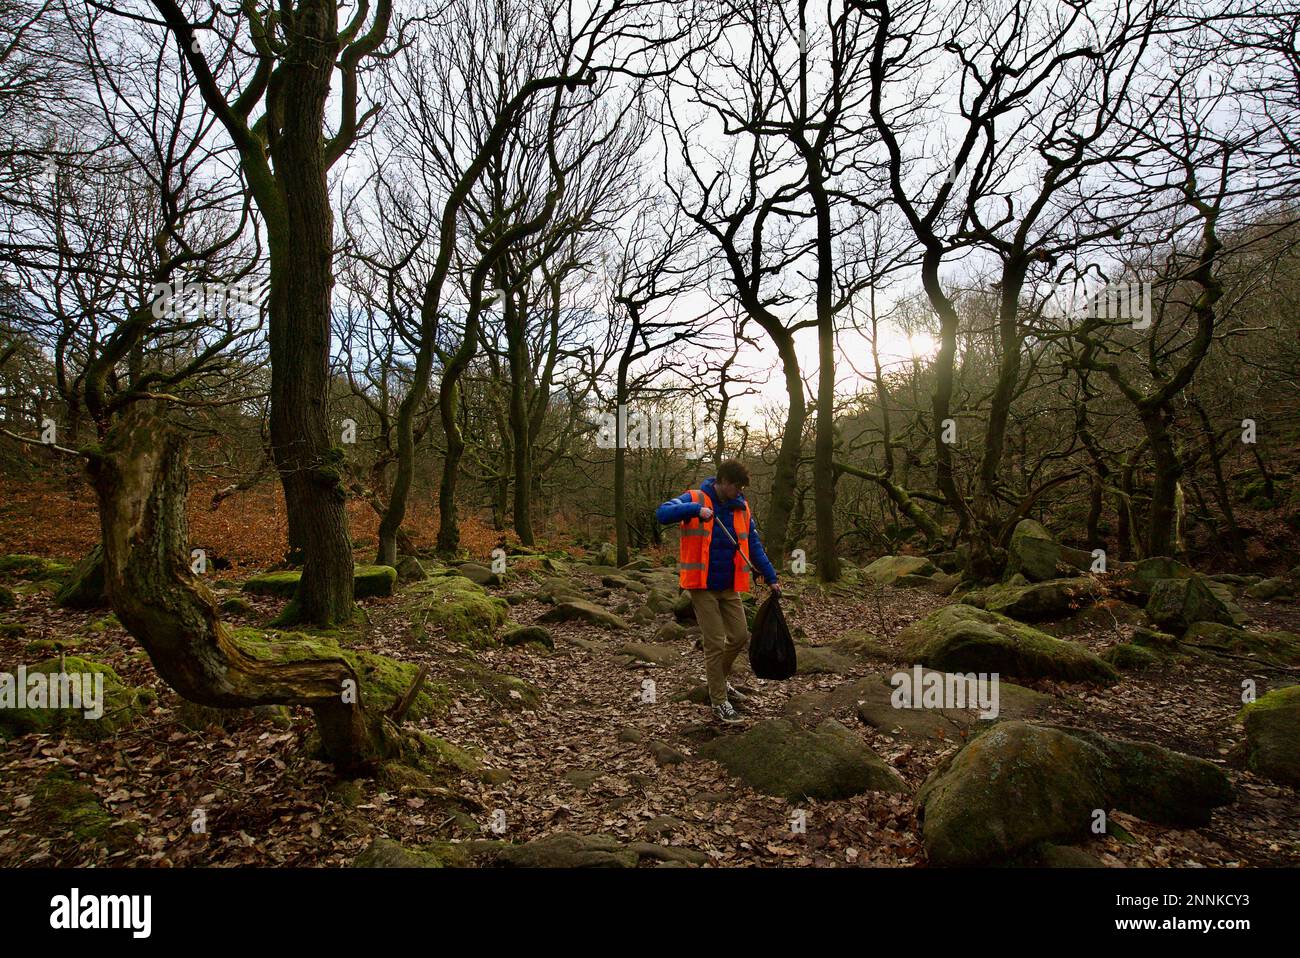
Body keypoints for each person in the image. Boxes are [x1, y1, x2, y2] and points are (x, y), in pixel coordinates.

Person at [655, 458, 780, 723]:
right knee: (714, 642)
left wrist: (771, 577)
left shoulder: (741, 508)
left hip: (729, 585)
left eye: (741, 488)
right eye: (736, 486)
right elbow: (662, 513)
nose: (739, 491)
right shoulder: (696, 497)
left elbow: (754, 545)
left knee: (738, 637)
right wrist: (694, 510)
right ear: (722, 481)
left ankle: (719, 683)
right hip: (701, 585)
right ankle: (719, 700)